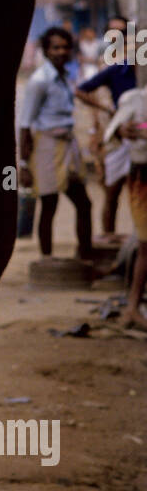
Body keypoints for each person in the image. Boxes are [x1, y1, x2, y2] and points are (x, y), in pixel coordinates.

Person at [19, 26, 93, 261]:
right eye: (56, 47)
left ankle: (85, 254)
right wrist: (23, 164)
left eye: (65, 47)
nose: (61, 51)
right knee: (49, 204)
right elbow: (25, 125)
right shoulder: (39, 81)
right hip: (46, 146)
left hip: (67, 145)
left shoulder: (64, 77)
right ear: (46, 50)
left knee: (84, 203)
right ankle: (47, 260)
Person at [76, 16, 137, 239]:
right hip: (111, 134)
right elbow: (87, 94)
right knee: (111, 188)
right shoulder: (108, 65)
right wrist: (99, 125)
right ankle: (109, 236)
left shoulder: (133, 64)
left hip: (137, 131)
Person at [102, 85, 147, 329]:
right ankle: (132, 307)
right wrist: (124, 130)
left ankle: (133, 306)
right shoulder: (134, 99)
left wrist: (138, 128)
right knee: (145, 245)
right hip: (142, 179)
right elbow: (111, 133)